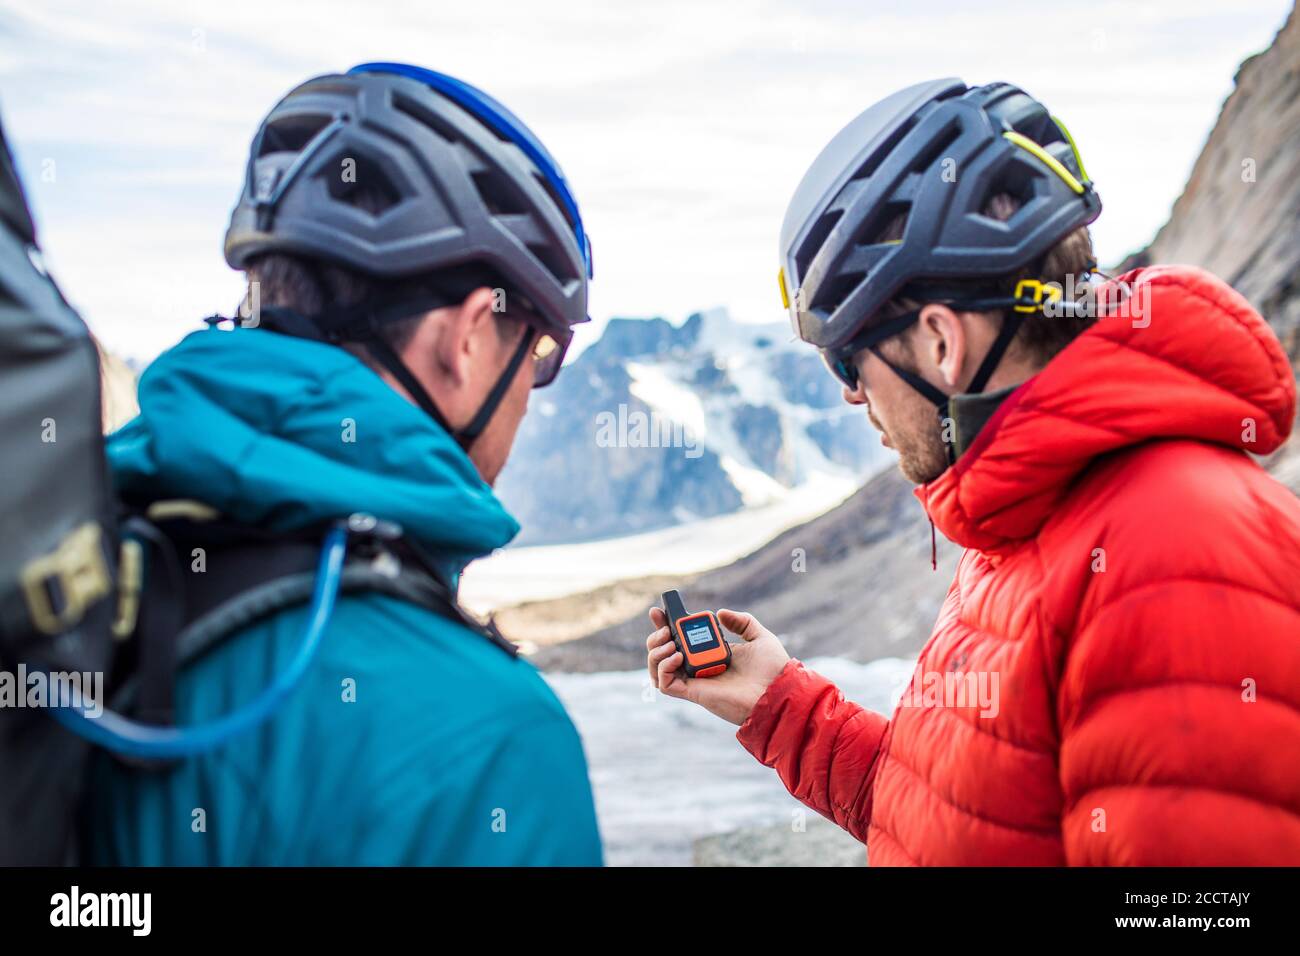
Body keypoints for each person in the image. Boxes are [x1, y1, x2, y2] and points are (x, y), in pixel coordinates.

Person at [648, 79, 1300, 865]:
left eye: (848, 364)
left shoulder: (1174, 556)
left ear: (940, 343)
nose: (855, 399)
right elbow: (962, 822)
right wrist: (780, 705)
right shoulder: (1035, 529)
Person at [86, 63, 602, 865]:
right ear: (465, 337)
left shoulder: (66, 550)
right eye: (537, 352)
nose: (530, 396)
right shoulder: (486, 739)